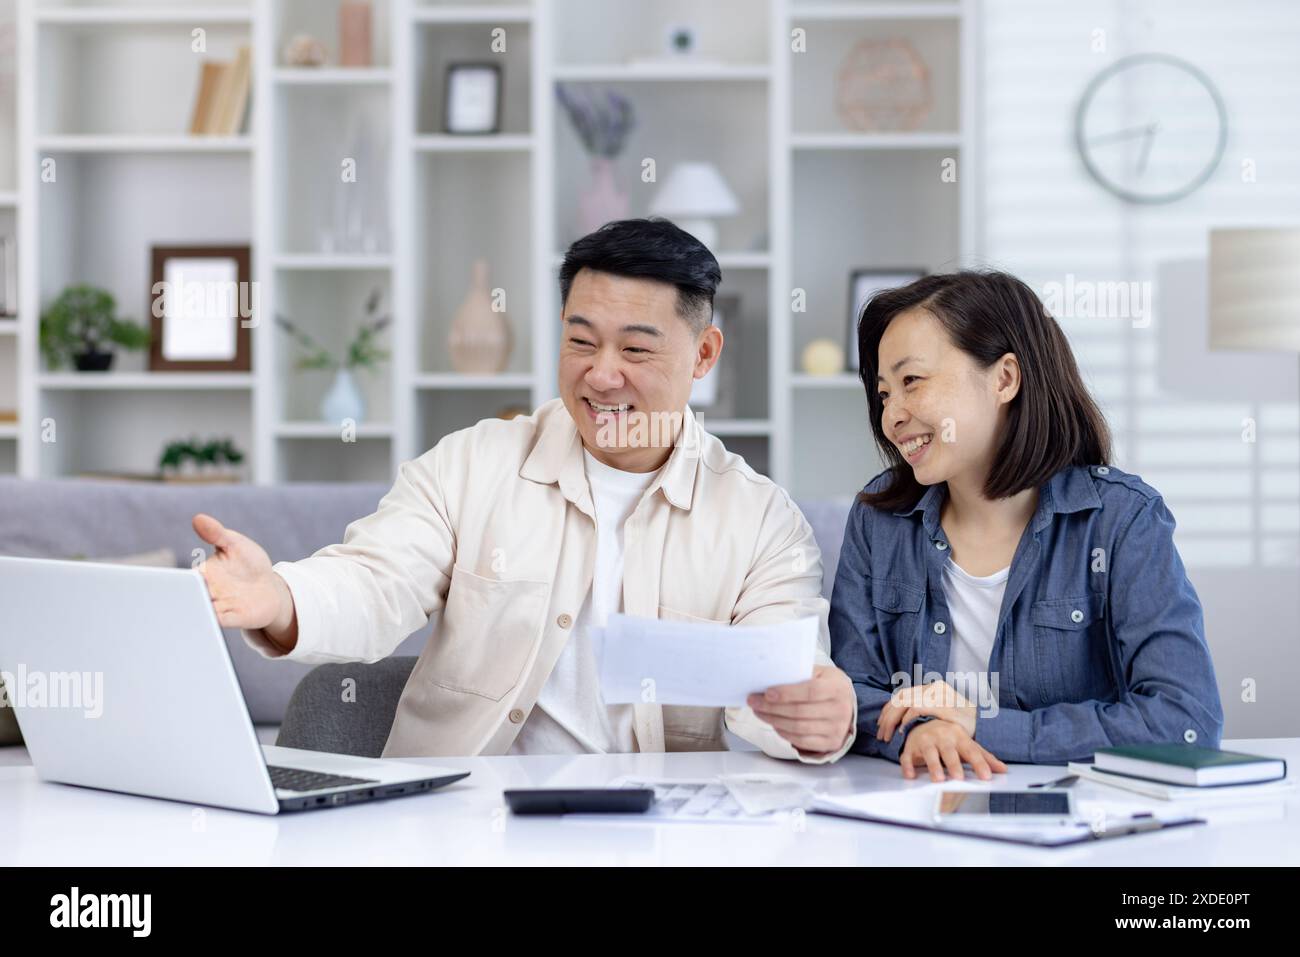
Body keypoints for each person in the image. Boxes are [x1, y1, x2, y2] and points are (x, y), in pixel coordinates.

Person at [195, 218, 857, 762]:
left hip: (660, 836)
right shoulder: (474, 463)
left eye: (635, 350)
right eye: (580, 340)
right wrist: (278, 595)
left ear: (704, 354)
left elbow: (781, 679)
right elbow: (375, 580)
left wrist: (818, 717)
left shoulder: (760, 520)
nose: (601, 375)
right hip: (460, 828)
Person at [831, 270, 1223, 781]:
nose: (892, 417)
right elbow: (846, 694)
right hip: (912, 809)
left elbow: (1185, 721)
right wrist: (920, 730)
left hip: (1082, 824)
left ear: (1005, 379)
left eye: (912, 381)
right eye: (884, 394)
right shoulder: (879, 518)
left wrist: (981, 727)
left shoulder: (1123, 521)